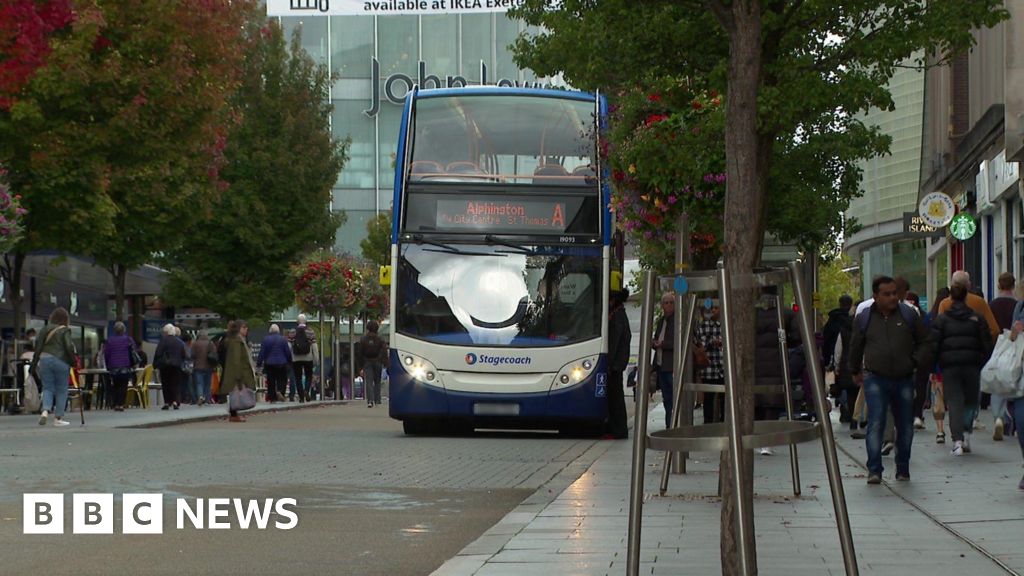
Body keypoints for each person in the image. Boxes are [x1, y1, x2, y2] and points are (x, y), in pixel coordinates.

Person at [849, 275, 929, 484]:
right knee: (876, 422)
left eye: (894, 293)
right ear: (876, 296)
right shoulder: (865, 317)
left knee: (905, 425)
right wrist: (854, 369)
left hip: (904, 377)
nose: (893, 297)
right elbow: (856, 345)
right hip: (875, 377)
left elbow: (925, 342)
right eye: (887, 294)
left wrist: (915, 362)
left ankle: (903, 467)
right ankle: (874, 469)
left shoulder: (909, 315)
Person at [929, 283, 992, 456]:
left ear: (950, 298)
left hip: (950, 367)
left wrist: (933, 366)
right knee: (971, 400)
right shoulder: (977, 318)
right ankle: (966, 433)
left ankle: (957, 441)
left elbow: (934, 344)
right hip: (972, 366)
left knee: (955, 401)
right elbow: (986, 344)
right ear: (966, 296)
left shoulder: (942, 320)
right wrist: (982, 361)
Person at [30, 307, 77, 427]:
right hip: (61, 361)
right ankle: (58, 418)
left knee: (48, 387)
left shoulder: (45, 329)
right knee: (61, 389)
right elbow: (68, 347)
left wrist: (33, 365)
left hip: (45, 359)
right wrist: (73, 362)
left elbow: (38, 348)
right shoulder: (65, 330)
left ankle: (45, 410)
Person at [988, 272, 1017, 441]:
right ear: (1013, 286)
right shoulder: (1017, 305)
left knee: (997, 384)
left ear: (999, 285)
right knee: (1014, 384)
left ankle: (998, 417)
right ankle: (1013, 420)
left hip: (997, 349)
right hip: (1015, 349)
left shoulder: (992, 305)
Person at [824, 295, 855, 423]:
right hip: (851, 359)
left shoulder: (832, 320)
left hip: (840, 360)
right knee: (853, 389)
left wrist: (830, 362)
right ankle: (853, 413)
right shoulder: (852, 322)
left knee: (842, 385)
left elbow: (828, 340)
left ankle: (845, 409)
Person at [605, 287, 631, 439]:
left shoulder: (617, 317)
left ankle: (618, 430)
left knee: (615, 399)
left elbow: (614, 342)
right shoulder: (620, 315)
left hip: (615, 365)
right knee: (616, 397)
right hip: (618, 364)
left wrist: (608, 363)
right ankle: (617, 429)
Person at [927, 286, 951, 444]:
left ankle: (940, 430)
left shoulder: (930, 317)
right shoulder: (952, 319)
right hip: (952, 364)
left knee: (938, 398)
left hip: (937, 365)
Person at [695, 300, 724, 424]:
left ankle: (723, 420)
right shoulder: (703, 326)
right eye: (712, 308)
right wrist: (713, 342)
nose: (713, 311)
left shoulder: (723, 324)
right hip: (709, 368)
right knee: (709, 398)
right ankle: (708, 422)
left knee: (724, 397)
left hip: (722, 367)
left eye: (716, 308)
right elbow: (701, 345)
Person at [222, 320, 256, 423]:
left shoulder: (237, 339)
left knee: (235, 392)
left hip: (236, 370)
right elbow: (237, 359)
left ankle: (234, 413)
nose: (246, 330)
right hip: (238, 371)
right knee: (236, 392)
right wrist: (239, 375)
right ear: (239, 328)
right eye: (244, 328)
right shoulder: (237, 340)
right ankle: (233, 414)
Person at [651, 292, 676, 428]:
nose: (668, 305)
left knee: (673, 397)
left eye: (671, 302)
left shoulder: (676, 320)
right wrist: (654, 343)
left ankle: (672, 423)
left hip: (671, 365)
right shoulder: (661, 321)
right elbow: (656, 337)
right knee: (666, 398)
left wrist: (663, 344)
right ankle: (668, 424)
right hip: (661, 365)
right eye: (666, 303)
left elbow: (677, 342)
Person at [104, 321, 138, 412]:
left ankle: (115, 404)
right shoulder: (128, 339)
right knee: (123, 385)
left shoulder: (110, 340)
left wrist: (108, 365)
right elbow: (134, 351)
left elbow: (106, 354)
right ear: (124, 330)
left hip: (113, 366)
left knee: (115, 385)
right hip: (125, 366)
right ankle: (120, 404)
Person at [153, 323, 188, 410]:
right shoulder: (179, 342)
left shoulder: (163, 341)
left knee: (166, 383)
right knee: (176, 384)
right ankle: (175, 401)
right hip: (177, 365)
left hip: (165, 365)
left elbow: (158, 353)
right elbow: (184, 354)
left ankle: (167, 402)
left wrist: (155, 364)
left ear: (166, 332)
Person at [258, 324, 293, 402]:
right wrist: (290, 361)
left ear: (270, 331)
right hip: (282, 363)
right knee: (282, 379)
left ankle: (272, 398)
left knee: (271, 381)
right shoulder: (283, 339)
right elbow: (287, 352)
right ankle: (280, 391)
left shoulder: (265, 339)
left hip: (269, 363)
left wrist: (259, 363)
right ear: (278, 331)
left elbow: (262, 353)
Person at [290, 314, 318, 402]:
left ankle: (301, 397)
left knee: (298, 377)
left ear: (297, 321)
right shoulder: (310, 332)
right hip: (308, 358)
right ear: (306, 321)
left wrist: (290, 358)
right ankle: (306, 390)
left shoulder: (292, 332)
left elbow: (289, 346)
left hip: (296, 358)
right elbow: (314, 346)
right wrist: (316, 359)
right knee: (308, 376)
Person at [359, 320, 386, 408]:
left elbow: (360, 352)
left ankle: (370, 400)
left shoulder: (363, 338)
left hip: (367, 361)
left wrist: (361, 363)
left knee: (369, 381)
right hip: (377, 361)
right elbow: (384, 351)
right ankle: (377, 399)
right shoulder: (380, 338)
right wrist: (383, 360)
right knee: (377, 381)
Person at [191, 330, 217, 405]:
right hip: (209, 366)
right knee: (207, 384)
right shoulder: (210, 343)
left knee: (199, 383)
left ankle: (200, 397)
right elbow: (214, 353)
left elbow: (192, 355)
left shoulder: (195, 343)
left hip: (198, 366)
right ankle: (207, 399)